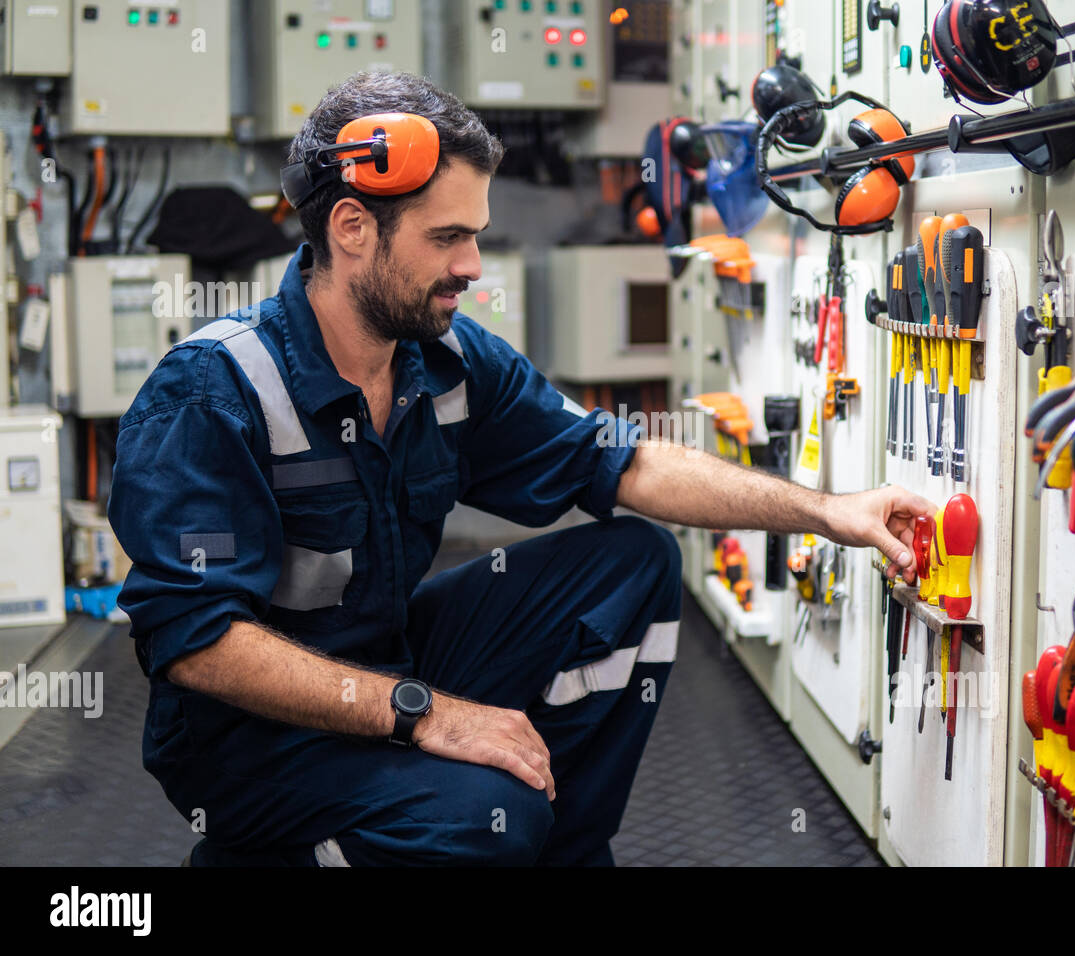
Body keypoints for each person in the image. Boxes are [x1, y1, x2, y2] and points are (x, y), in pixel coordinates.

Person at [108, 71, 933, 866]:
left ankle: (558, 852)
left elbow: (626, 461)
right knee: (484, 827)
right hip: (249, 745)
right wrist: (424, 716)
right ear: (352, 228)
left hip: (387, 663)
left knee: (635, 565)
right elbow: (197, 644)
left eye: (475, 235)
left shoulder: (448, 363)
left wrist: (829, 512)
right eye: (447, 238)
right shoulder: (213, 391)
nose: (472, 265)